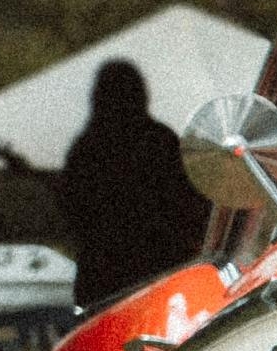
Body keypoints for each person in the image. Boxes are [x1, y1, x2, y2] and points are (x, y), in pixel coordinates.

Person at [27, 60, 206, 314]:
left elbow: (73, 208)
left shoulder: (88, 147)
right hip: (157, 268)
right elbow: (188, 204)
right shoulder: (159, 140)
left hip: (104, 273)